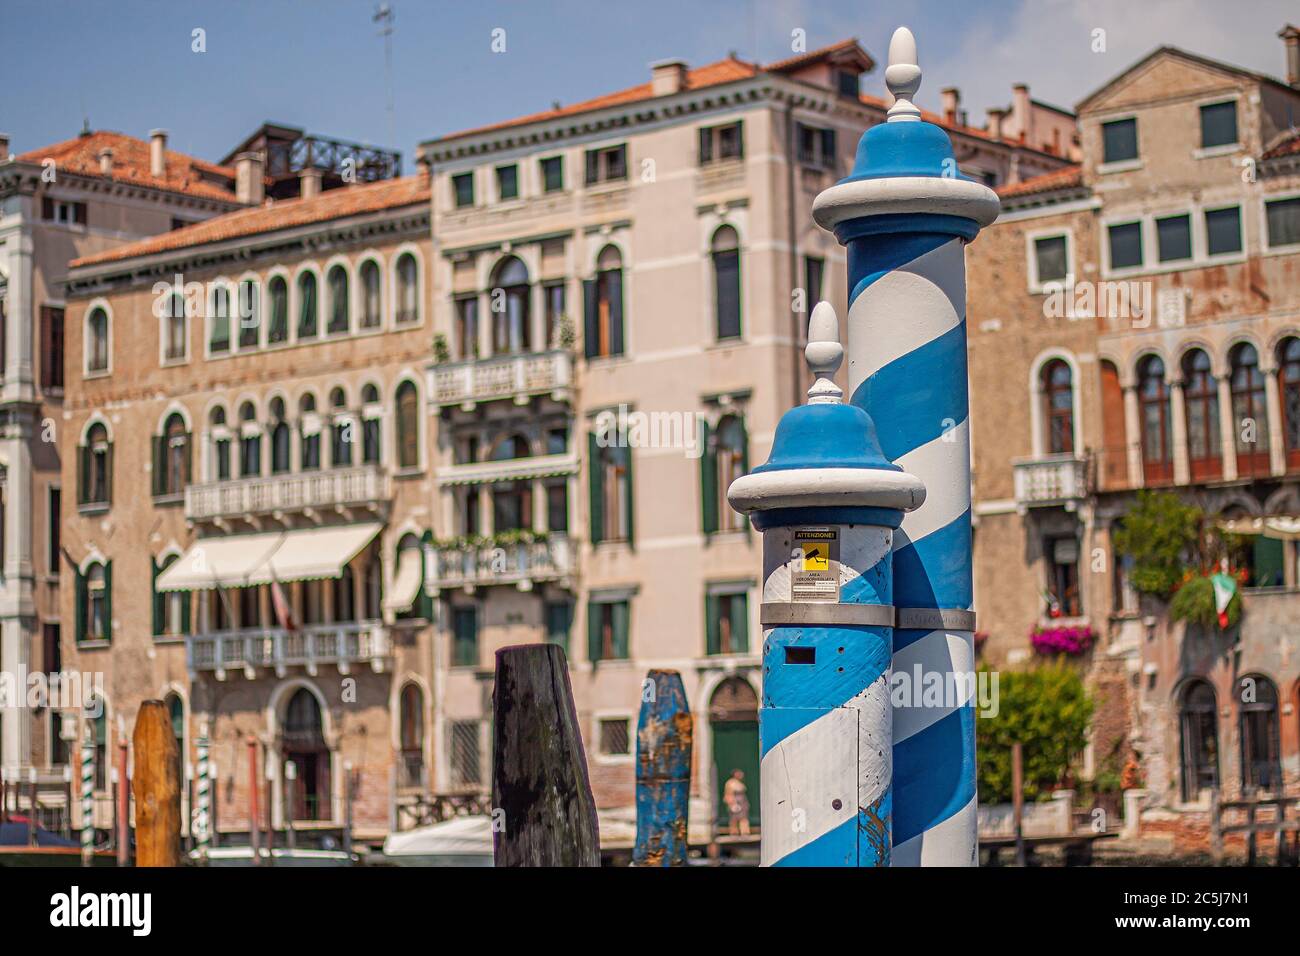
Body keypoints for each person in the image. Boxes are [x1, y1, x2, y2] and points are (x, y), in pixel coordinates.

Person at [723, 769, 750, 836]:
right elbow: (728, 794)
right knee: (734, 819)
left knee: (743, 818)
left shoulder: (740, 783)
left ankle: (745, 832)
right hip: (735, 802)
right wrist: (732, 804)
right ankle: (734, 832)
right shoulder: (730, 783)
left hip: (742, 802)